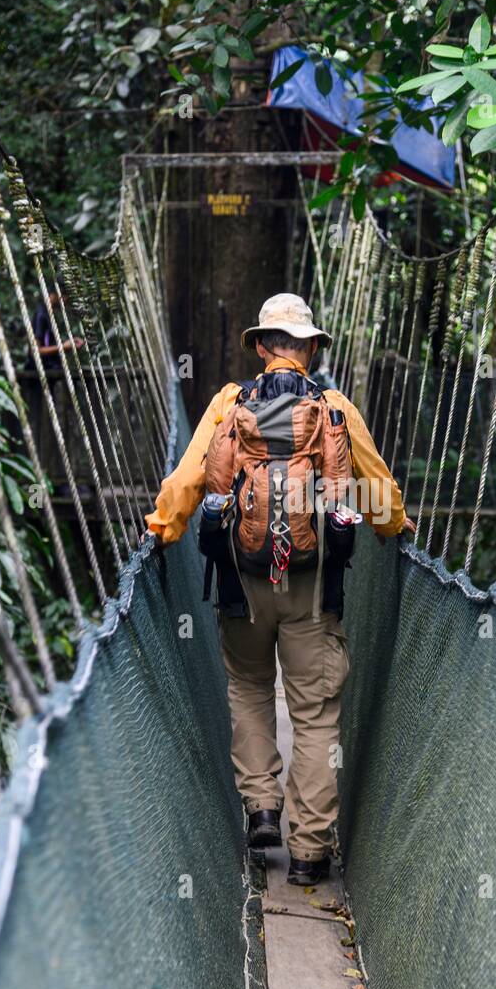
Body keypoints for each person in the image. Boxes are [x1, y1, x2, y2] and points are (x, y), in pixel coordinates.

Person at [144, 293, 415, 886]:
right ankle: (311, 852)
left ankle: (262, 808)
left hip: (242, 580)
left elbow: (188, 479)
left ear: (263, 346)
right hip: (313, 586)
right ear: (312, 350)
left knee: (247, 688)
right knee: (315, 715)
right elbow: (375, 487)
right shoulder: (334, 407)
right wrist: (395, 524)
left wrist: (164, 530)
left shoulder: (228, 403)